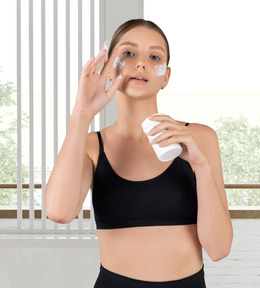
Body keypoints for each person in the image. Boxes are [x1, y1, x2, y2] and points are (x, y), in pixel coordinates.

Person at [45, 19, 233, 288]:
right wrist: (81, 114)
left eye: (154, 56)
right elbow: (59, 213)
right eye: (129, 53)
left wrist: (201, 166)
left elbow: (219, 249)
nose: (141, 63)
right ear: (109, 67)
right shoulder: (91, 146)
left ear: (166, 77)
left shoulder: (199, 138)